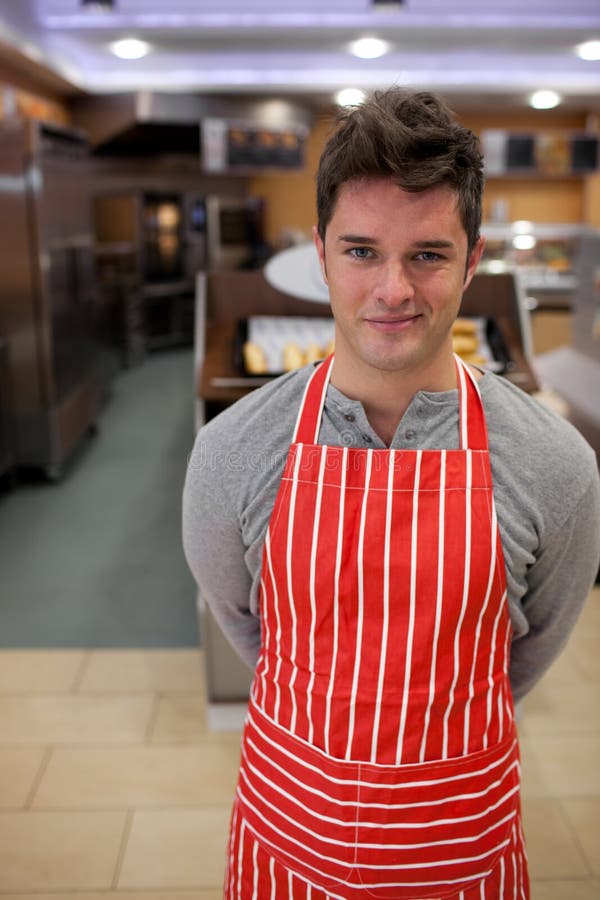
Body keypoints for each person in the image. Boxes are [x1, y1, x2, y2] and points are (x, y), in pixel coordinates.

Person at [183, 89, 600, 899]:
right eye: (363, 250)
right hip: (287, 843)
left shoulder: (557, 464)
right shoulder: (231, 450)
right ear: (322, 255)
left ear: (473, 260)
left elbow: (529, 650)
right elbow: (243, 625)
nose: (393, 290)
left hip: (460, 851)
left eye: (429, 255)